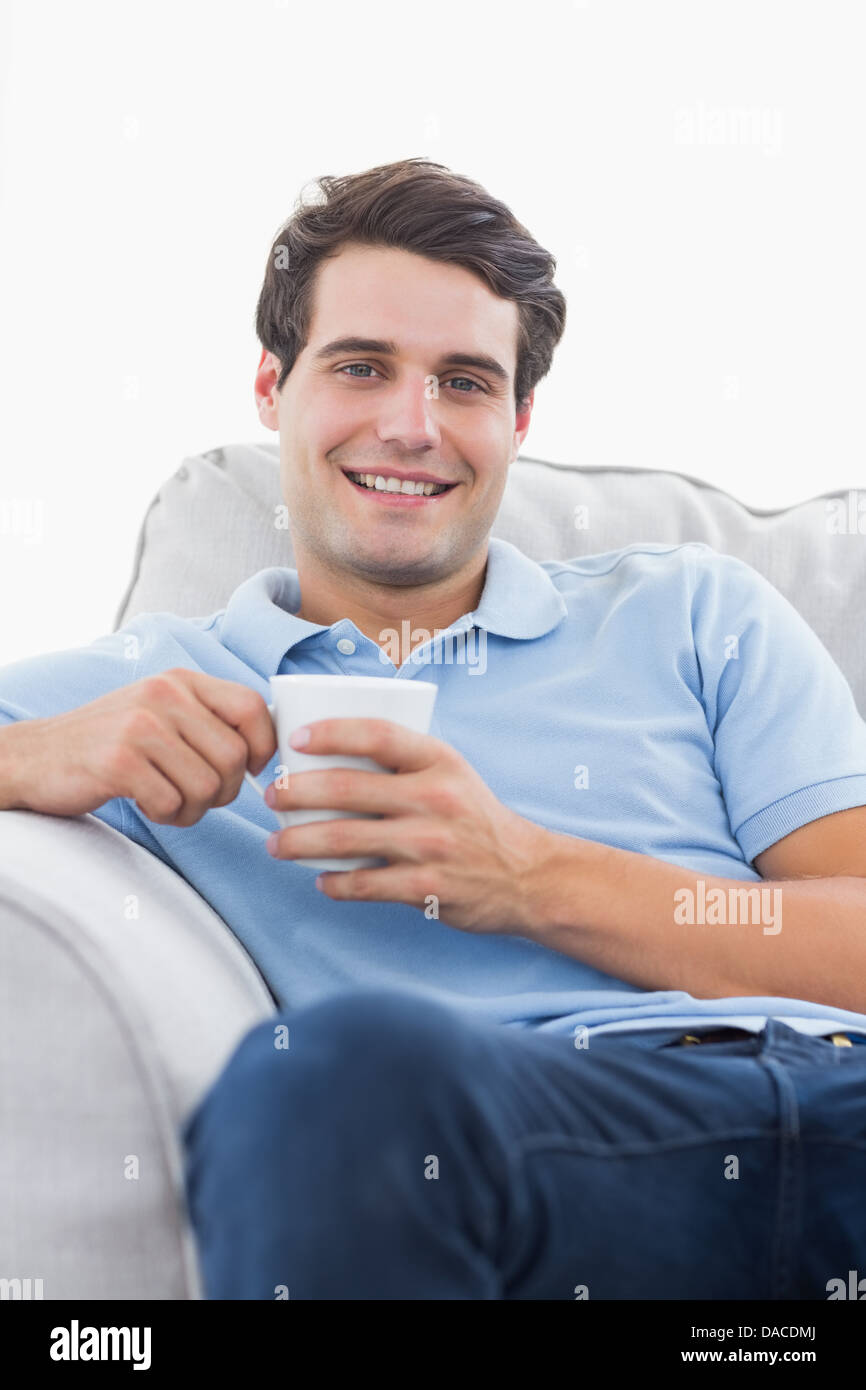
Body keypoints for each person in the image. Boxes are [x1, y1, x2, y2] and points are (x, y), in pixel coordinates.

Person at [2, 158, 866, 1300]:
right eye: (361, 367)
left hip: (837, 1092)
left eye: (463, 382)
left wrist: (525, 874)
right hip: (526, 1146)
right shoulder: (163, 690)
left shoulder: (693, 613)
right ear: (271, 385)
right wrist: (28, 754)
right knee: (322, 1078)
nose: (412, 427)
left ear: (517, 419)